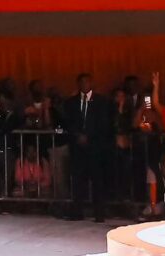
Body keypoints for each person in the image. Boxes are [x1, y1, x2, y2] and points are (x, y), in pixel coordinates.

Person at [64, 73, 111, 222]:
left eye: (87, 81)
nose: (85, 84)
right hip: (77, 147)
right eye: (82, 82)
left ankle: (99, 213)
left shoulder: (101, 101)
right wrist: (78, 135)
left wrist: (88, 136)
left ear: (92, 83)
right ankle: (77, 211)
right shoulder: (71, 102)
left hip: (95, 147)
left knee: (97, 180)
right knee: (78, 180)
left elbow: (103, 123)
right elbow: (68, 122)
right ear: (78, 84)